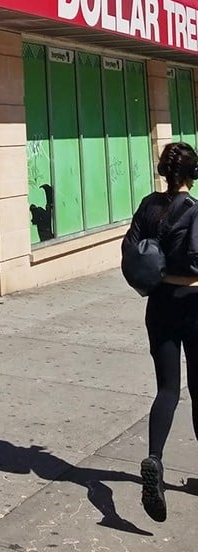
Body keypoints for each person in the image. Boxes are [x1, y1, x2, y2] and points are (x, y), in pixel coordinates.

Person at [122, 141, 198, 523]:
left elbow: (131, 249)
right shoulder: (194, 211)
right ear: (191, 174)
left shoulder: (149, 206)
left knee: (167, 389)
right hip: (194, 304)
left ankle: (154, 458)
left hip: (159, 305)